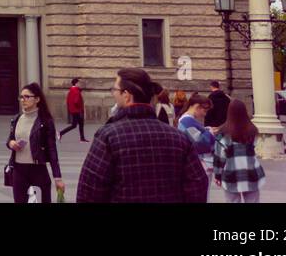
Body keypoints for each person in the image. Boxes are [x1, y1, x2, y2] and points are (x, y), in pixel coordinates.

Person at [75, 68, 208, 204]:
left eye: (114, 90)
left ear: (126, 95)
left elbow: (89, 191)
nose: (113, 94)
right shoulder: (179, 138)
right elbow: (198, 183)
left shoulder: (108, 136)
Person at [6, 82, 64, 203]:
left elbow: (52, 150)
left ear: (37, 99)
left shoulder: (45, 121)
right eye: (21, 97)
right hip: (18, 170)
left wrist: (57, 177)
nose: (23, 100)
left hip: (38, 170)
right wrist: (11, 143)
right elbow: (9, 139)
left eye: (27, 97)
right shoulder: (17, 119)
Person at [213, 97, 265, 203]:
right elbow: (256, 148)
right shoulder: (252, 131)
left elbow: (219, 158)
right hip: (251, 172)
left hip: (231, 173)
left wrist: (218, 175)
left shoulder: (223, 134)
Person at [177, 93, 217, 173]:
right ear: (197, 107)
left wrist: (206, 130)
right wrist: (209, 132)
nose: (205, 114)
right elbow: (200, 142)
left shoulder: (188, 120)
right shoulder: (187, 121)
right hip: (200, 162)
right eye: (205, 111)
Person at [58, 78, 87, 142]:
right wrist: (80, 108)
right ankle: (61, 133)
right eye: (79, 83)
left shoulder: (71, 90)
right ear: (76, 83)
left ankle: (82, 138)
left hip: (74, 110)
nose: (80, 84)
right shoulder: (76, 91)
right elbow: (76, 101)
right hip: (77, 111)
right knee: (74, 125)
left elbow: (68, 101)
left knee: (80, 124)